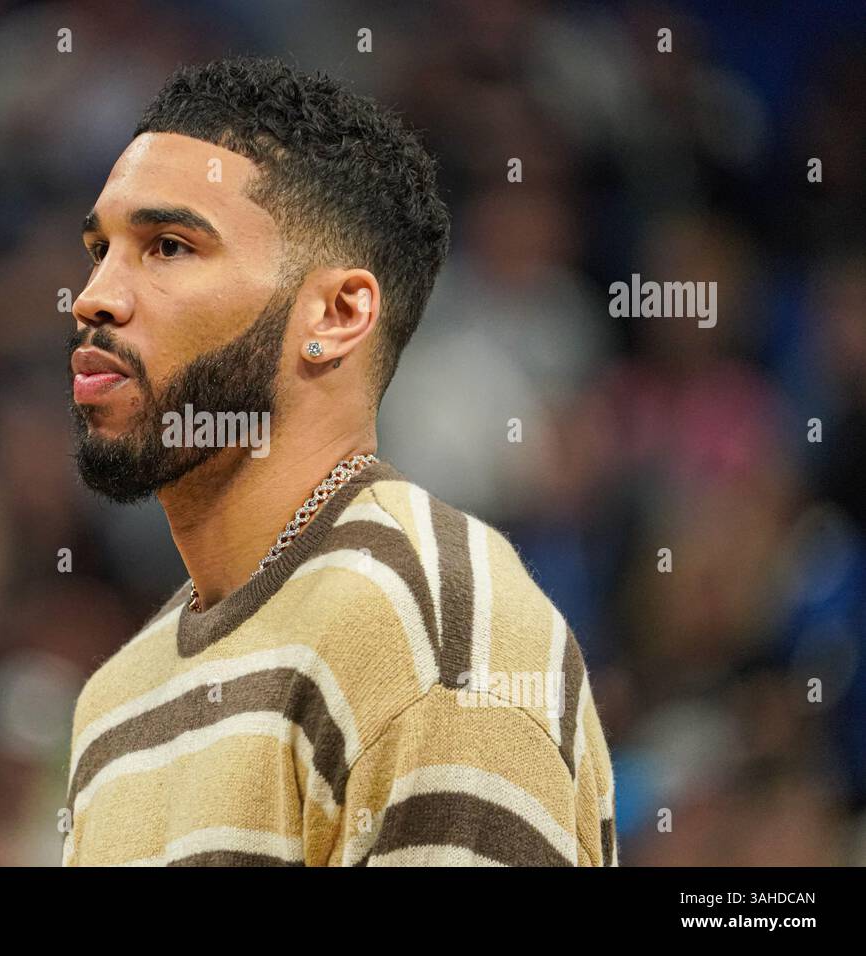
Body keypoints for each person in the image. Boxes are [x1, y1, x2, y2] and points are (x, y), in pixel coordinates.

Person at [61, 55, 617, 866]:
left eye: (169, 246)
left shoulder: (428, 623)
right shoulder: (112, 705)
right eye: (99, 247)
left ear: (337, 312)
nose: (94, 296)